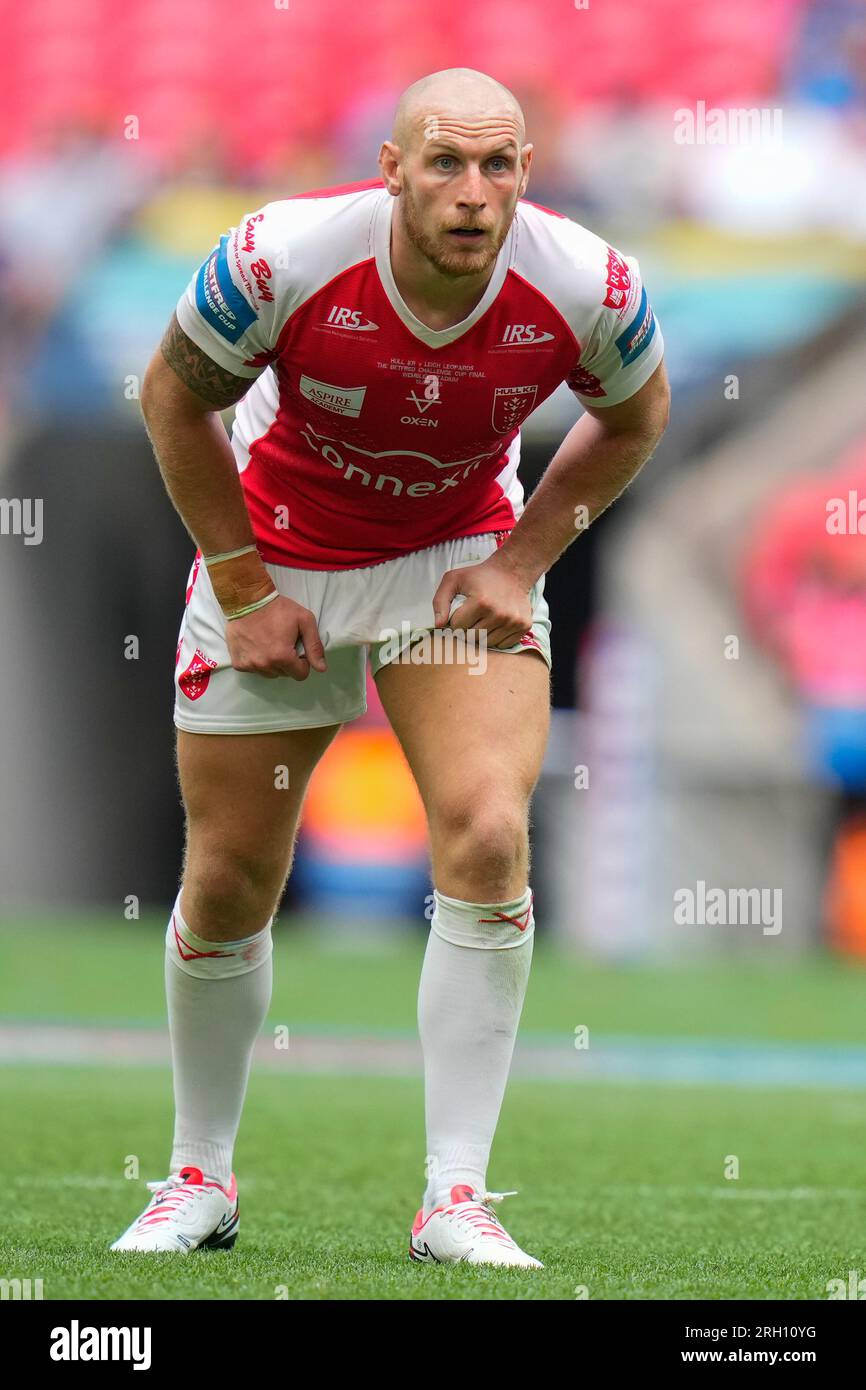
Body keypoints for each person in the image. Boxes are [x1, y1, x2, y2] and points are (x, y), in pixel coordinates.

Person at [110, 67, 669, 1267]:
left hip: (453, 558)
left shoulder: (586, 283)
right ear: (391, 168)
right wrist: (246, 587)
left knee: (483, 833)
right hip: (280, 554)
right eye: (446, 165)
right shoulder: (278, 257)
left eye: (499, 166)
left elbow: (633, 417)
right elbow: (171, 400)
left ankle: (453, 1199)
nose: (474, 195)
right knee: (226, 881)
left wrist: (521, 562)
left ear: (526, 170)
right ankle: (198, 1177)